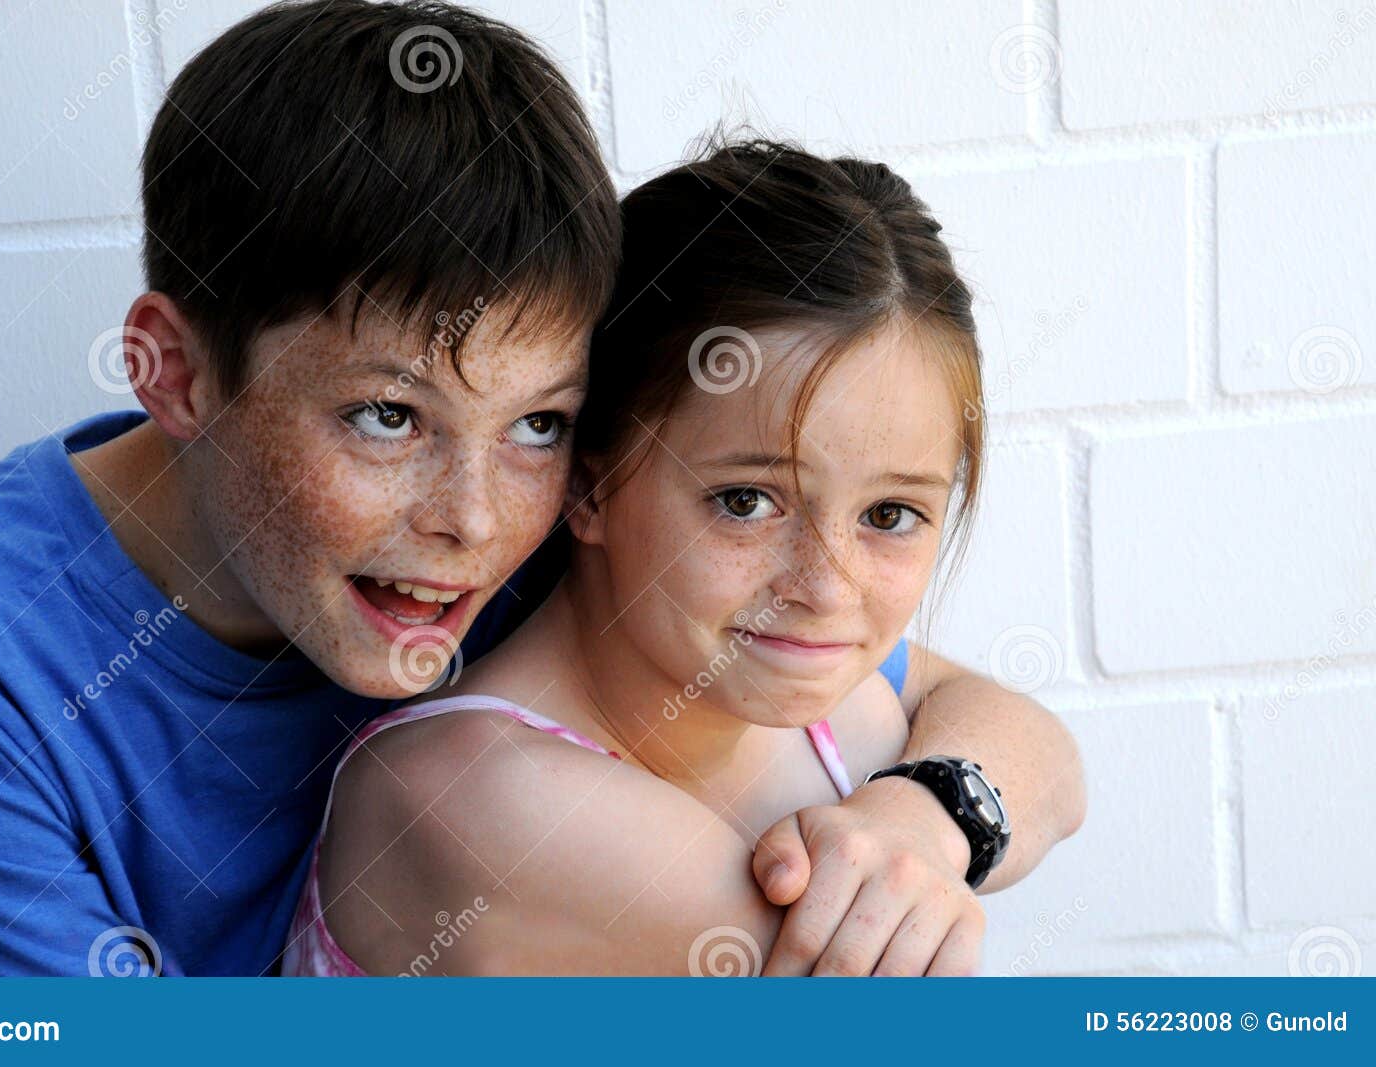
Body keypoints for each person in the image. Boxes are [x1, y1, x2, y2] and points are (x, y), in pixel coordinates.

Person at [0, 1, 1082, 978]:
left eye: (541, 421)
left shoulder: (527, 520)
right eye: (387, 417)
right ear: (176, 371)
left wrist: (932, 811)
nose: (476, 519)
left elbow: (970, 705)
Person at [286, 138, 1073, 977]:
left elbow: (1048, 759)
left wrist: (929, 812)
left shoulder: (810, 697)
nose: (826, 589)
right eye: (747, 502)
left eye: (890, 514)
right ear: (589, 484)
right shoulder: (472, 796)